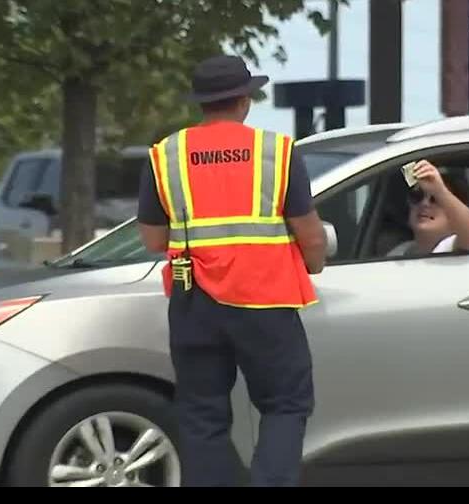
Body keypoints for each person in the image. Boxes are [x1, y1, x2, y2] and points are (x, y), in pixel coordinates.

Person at [136, 54, 328, 487]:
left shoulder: (166, 155)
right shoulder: (275, 152)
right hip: (265, 299)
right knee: (284, 404)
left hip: (193, 299)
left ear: (202, 103)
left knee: (202, 415)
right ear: (244, 100)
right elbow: (310, 235)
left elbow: (152, 240)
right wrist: (313, 263)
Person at [388, 160, 469, 256]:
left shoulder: (452, 247)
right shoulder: (401, 251)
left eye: (436, 199)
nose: (424, 203)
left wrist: (440, 191)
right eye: (417, 196)